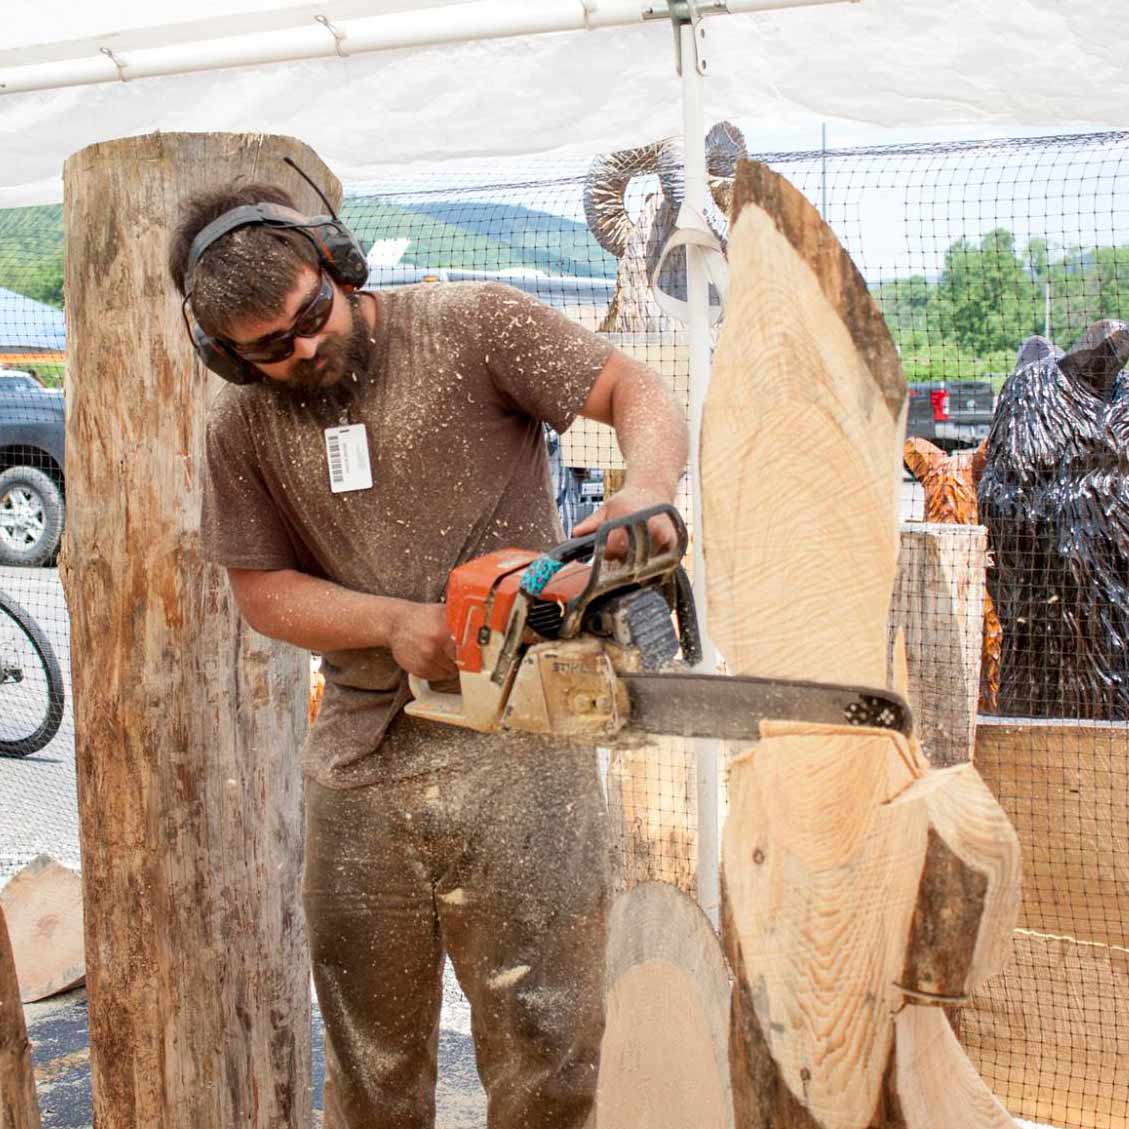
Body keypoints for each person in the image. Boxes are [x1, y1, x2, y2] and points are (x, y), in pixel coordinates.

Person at [168, 182, 689, 1129]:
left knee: (548, 1052)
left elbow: (634, 387)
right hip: (363, 758)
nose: (302, 347)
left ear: (337, 263)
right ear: (227, 355)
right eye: (268, 348)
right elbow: (259, 588)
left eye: (310, 316)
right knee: (374, 1062)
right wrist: (392, 623)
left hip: (525, 744)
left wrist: (642, 490)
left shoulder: (471, 324)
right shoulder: (240, 428)